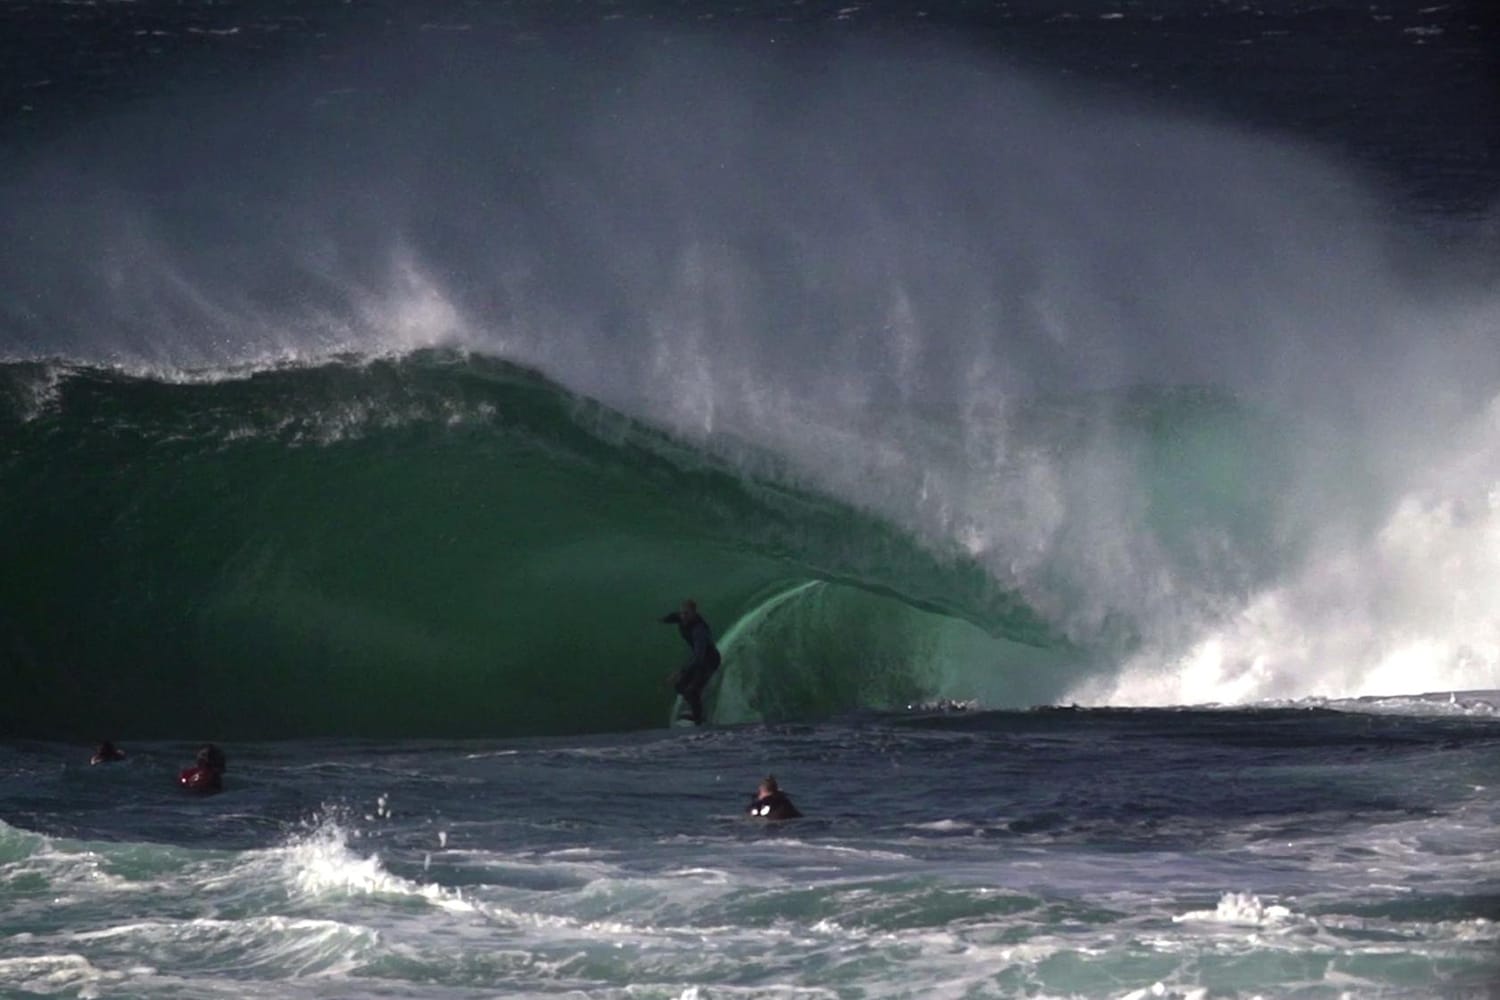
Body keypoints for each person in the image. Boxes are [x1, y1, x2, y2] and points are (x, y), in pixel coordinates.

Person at [660, 598, 721, 725]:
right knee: (679, 686)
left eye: (686, 613)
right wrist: (658, 620)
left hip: (709, 661)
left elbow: (699, 657)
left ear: (694, 613)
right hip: (698, 659)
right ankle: (697, 709)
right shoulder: (683, 618)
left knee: (691, 691)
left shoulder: (699, 629)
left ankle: (699, 720)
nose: (683, 616)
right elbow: (673, 617)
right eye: (682, 613)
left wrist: (680, 671)